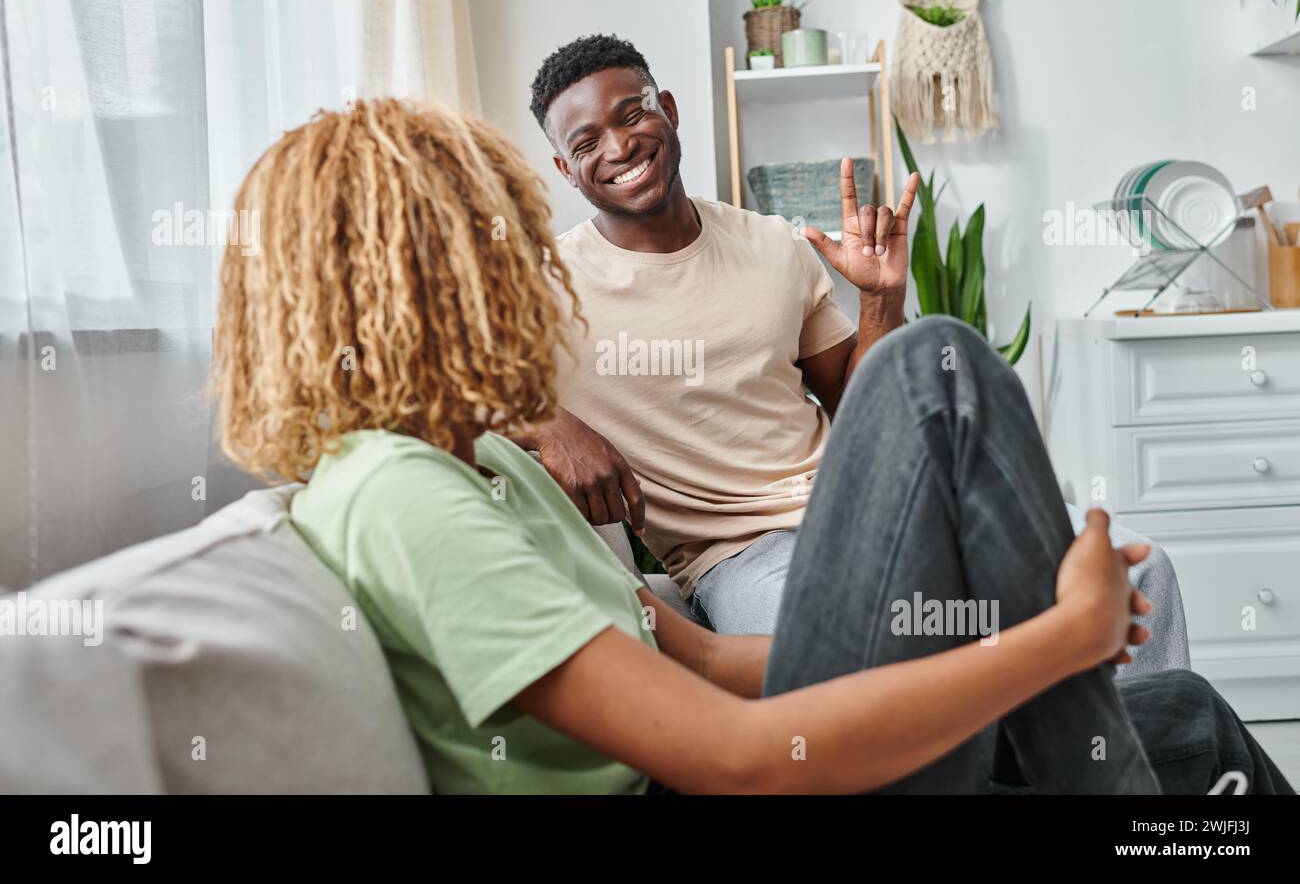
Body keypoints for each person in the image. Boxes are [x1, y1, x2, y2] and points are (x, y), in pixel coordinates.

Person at [211, 98, 1289, 795]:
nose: (528, 263)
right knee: (934, 365)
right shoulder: (401, 498)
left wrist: (1017, 624)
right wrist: (1059, 640)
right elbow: (738, 759)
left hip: (769, 708)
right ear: (419, 285)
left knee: (1183, 712)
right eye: (496, 242)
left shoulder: (483, 470)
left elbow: (723, 665)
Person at [522, 35, 1190, 670]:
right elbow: (431, 382)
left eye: (632, 113)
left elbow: (859, 403)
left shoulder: (773, 244)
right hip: (743, 560)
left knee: (1139, 567)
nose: (619, 145)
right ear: (565, 169)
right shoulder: (543, 283)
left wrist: (879, 298)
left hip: (876, 502)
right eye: (586, 142)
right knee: (870, 639)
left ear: (667, 110)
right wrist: (552, 424)